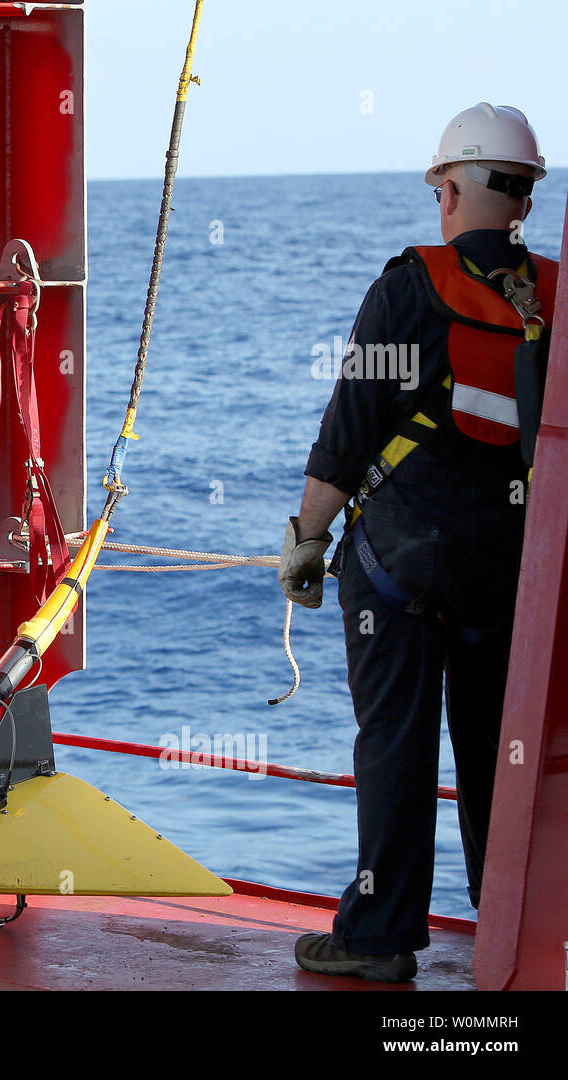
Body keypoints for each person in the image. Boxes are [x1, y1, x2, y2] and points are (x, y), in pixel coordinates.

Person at [278, 103, 556, 982]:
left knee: (394, 742)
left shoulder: (410, 284)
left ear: (451, 187)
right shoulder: (555, 294)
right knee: (497, 751)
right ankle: (512, 926)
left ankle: (377, 937)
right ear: (523, 195)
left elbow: (349, 428)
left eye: (441, 182)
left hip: (402, 563)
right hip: (517, 572)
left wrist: (306, 541)